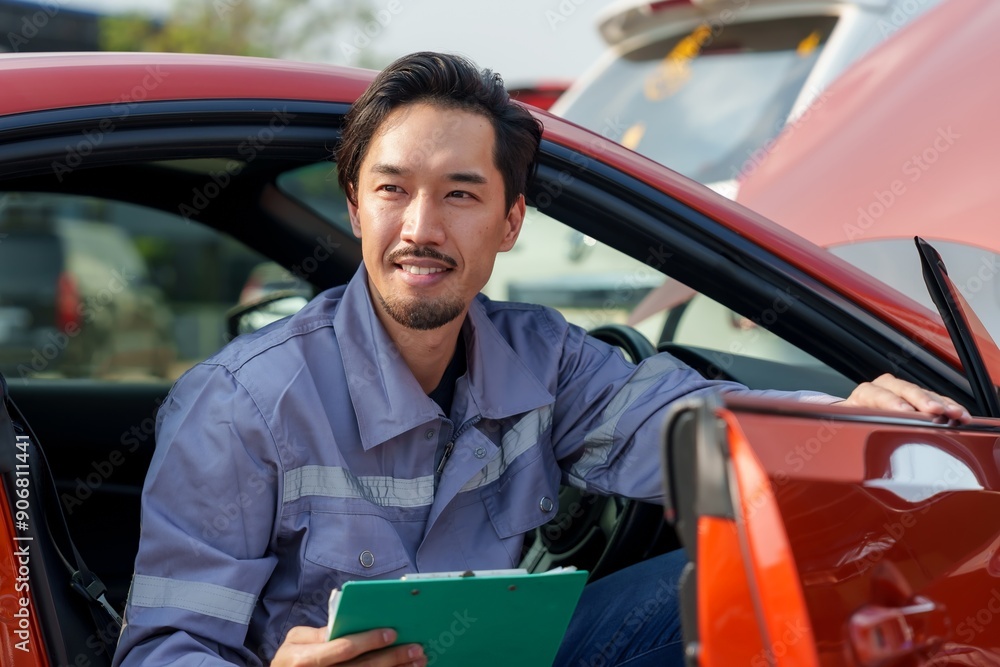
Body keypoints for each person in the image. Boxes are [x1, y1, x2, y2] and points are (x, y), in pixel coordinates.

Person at [112, 51, 969, 667]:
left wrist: (838, 419)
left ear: (511, 222)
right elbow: (164, 647)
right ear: (356, 205)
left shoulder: (543, 358)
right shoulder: (242, 402)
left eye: (461, 194)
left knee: (737, 577)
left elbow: (691, 428)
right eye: (393, 189)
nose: (421, 227)